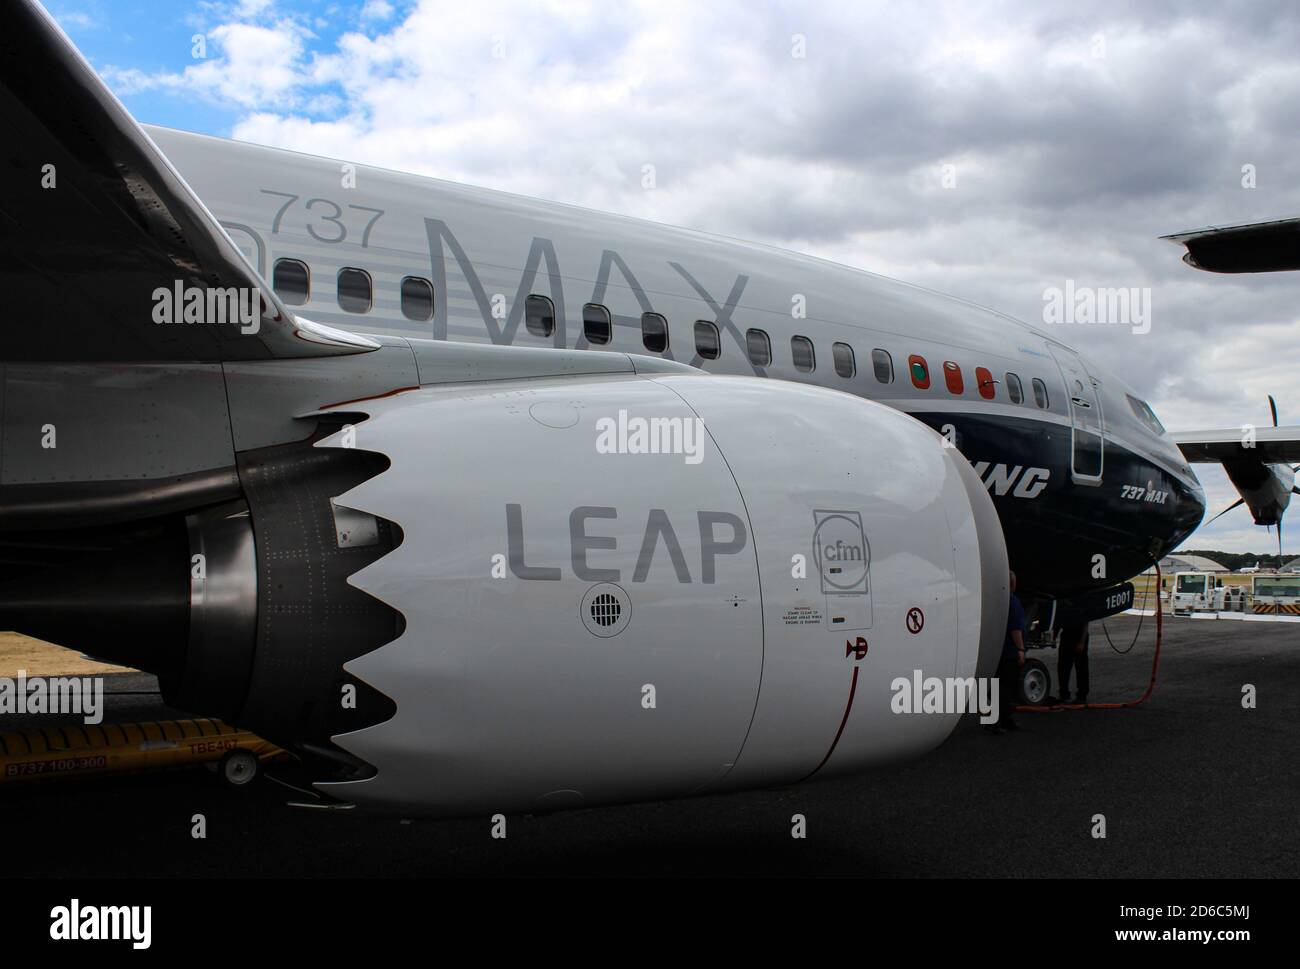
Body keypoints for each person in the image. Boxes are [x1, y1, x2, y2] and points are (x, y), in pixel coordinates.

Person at [990, 569, 1026, 734]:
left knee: (991, 686)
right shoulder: (1013, 601)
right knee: (1006, 688)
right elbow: (1015, 629)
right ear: (1013, 584)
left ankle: (992, 721)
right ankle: (1002, 721)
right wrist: (1020, 648)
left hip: (993, 651)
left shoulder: (994, 600)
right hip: (1008, 652)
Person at [1057, 618, 1090, 705]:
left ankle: (1081, 695)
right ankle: (1064, 693)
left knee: (1081, 667)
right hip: (1067, 635)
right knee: (1063, 667)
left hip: (1078, 635)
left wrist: (1082, 642)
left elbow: (1085, 622)